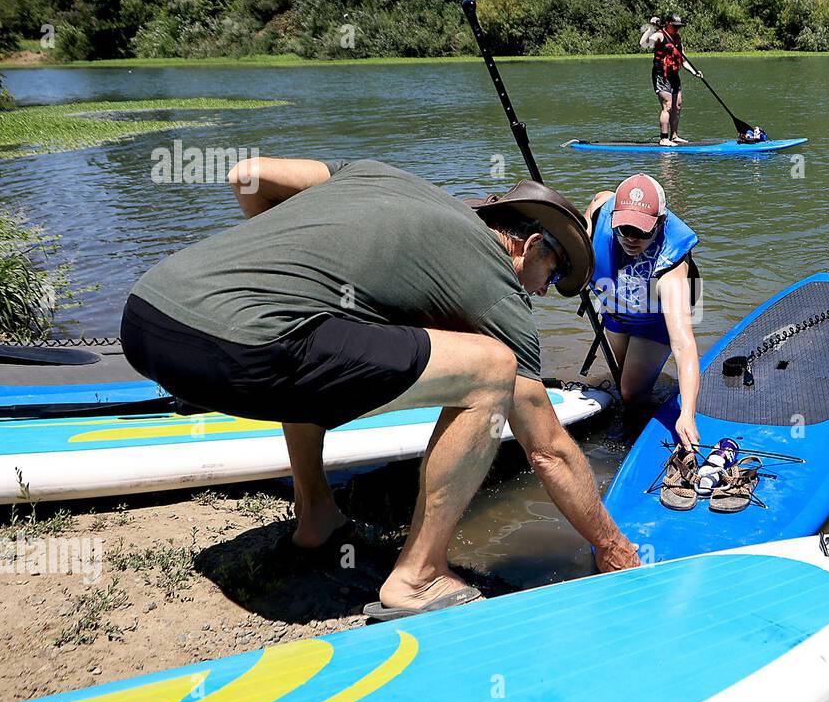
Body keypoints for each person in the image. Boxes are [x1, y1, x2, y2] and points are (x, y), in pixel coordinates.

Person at [120, 158, 641, 619]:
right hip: (238, 350)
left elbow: (247, 175)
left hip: (146, 319)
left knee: (315, 318)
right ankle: (418, 576)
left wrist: (288, 276)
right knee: (493, 369)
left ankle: (317, 517)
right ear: (528, 246)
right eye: (551, 274)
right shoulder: (495, 284)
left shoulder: (374, 175)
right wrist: (612, 545)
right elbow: (546, 448)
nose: (543, 291)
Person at [584, 174, 702, 450]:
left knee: (630, 392)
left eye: (642, 231)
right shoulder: (604, 205)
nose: (631, 238)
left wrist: (687, 414)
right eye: (624, 228)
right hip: (614, 301)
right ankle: (646, 394)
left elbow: (684, 345)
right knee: (624, 372)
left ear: (660, 223)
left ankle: (645, 422)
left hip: (654, 315)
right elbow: (596, 203)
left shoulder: (671, 268)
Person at [639, 13, 702, 146]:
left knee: (677, 106)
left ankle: (674, 136)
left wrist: (694, 72)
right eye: (674, 26)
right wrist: (651, 28)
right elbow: (643, 44)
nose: (677, 29)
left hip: (674, 75)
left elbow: (683, 60)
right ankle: (663, 138)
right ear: (667, 24)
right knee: (667, 105)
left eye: (678, 27)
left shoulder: (677, 38)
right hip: (661, 75)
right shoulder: (660, 35)